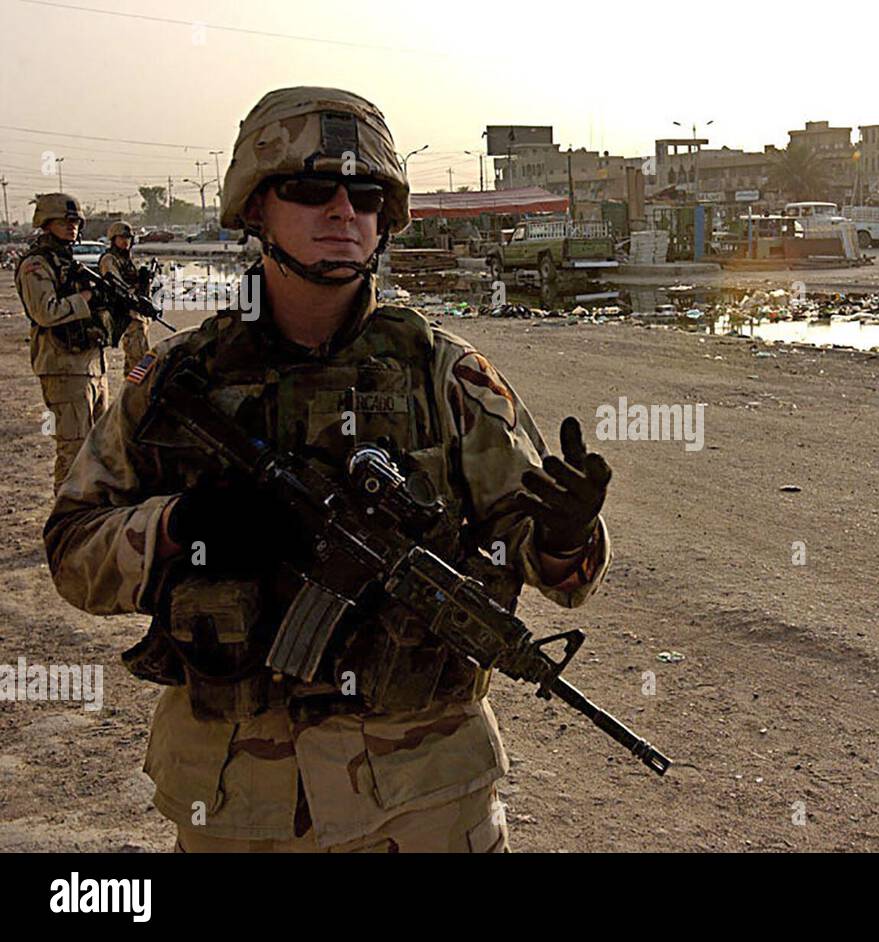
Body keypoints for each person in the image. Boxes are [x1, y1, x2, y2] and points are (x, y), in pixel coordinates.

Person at [43, 87, 612, 852]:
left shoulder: (448, 377)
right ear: (255, 209)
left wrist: (566, 539)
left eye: (367, 194)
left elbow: (556, 575)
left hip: (426, 800)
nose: (343, 211)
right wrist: (182, 527)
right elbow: (72, 550)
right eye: (311, 189)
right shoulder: (183, 381)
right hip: (237, 803)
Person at [14, 193, 111, 494]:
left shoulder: (69, 262)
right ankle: (66, 525)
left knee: (101, 448)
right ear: (46, 224)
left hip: (91, 365)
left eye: (75, 222)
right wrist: (84, 299)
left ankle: (92, 518)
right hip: (63, 368)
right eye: (63, 222)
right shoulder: (36, 265)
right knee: (73, 452)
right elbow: (45, 311)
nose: (71, 227)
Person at [98, 220, 150, 377]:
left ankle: (130, 391)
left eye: (128, 238)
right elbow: (117, 287)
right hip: (125, 314)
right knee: (140, 358)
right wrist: (135, 290)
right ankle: (137, 393)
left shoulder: (128, 260)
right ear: (113, 239)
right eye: (121, 238)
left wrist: (144, 282)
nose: (125, 241)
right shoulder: (109, 259)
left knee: (136, 359)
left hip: (137, 314)